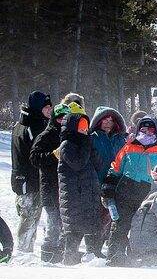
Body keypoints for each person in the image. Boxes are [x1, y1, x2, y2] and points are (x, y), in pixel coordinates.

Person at [103, 115, 157, 262]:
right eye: (143, 129)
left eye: (151, 130)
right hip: (126, 191)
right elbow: (115, 169)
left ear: (156, 132)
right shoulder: (128, 147)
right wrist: (108, 188)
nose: (147, 133)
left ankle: (141, 256)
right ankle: (115, 256)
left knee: (143, 227)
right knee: (120, 225)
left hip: (148, 193)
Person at [30, 103, 76, 262]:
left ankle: (64, 255)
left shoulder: (72, 135)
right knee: (53, 224)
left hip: (67, 187)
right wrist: (52, 155)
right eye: (60, 117)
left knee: (66, 225)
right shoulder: (46, 135)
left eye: (66, 118)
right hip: (50, 186)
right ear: (55, 118)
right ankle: (48, 257)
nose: (63, 120)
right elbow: (34, 158)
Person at [57, 111, 105, 265]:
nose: (85, 131)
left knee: (92, 228)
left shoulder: (86, 143)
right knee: (74, 232)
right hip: (74, 197)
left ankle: (94, 257)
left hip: (89, 194)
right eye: (81, 128)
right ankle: (69, 262)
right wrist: (86, 144)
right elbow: (78, 163)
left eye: (86, 128)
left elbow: (98, 164)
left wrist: (90, 146)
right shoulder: (67, 145)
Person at [10, 91, 53, 253]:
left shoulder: (22, 124)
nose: (50, 110)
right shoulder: (32, 127)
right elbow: (36, 156)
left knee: (30, 218)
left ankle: (25, 251)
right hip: (30, 181)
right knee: (29, 219)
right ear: (37, 108)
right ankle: (22, 253)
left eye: (50, 107)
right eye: (46, 107)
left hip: (24, 180)